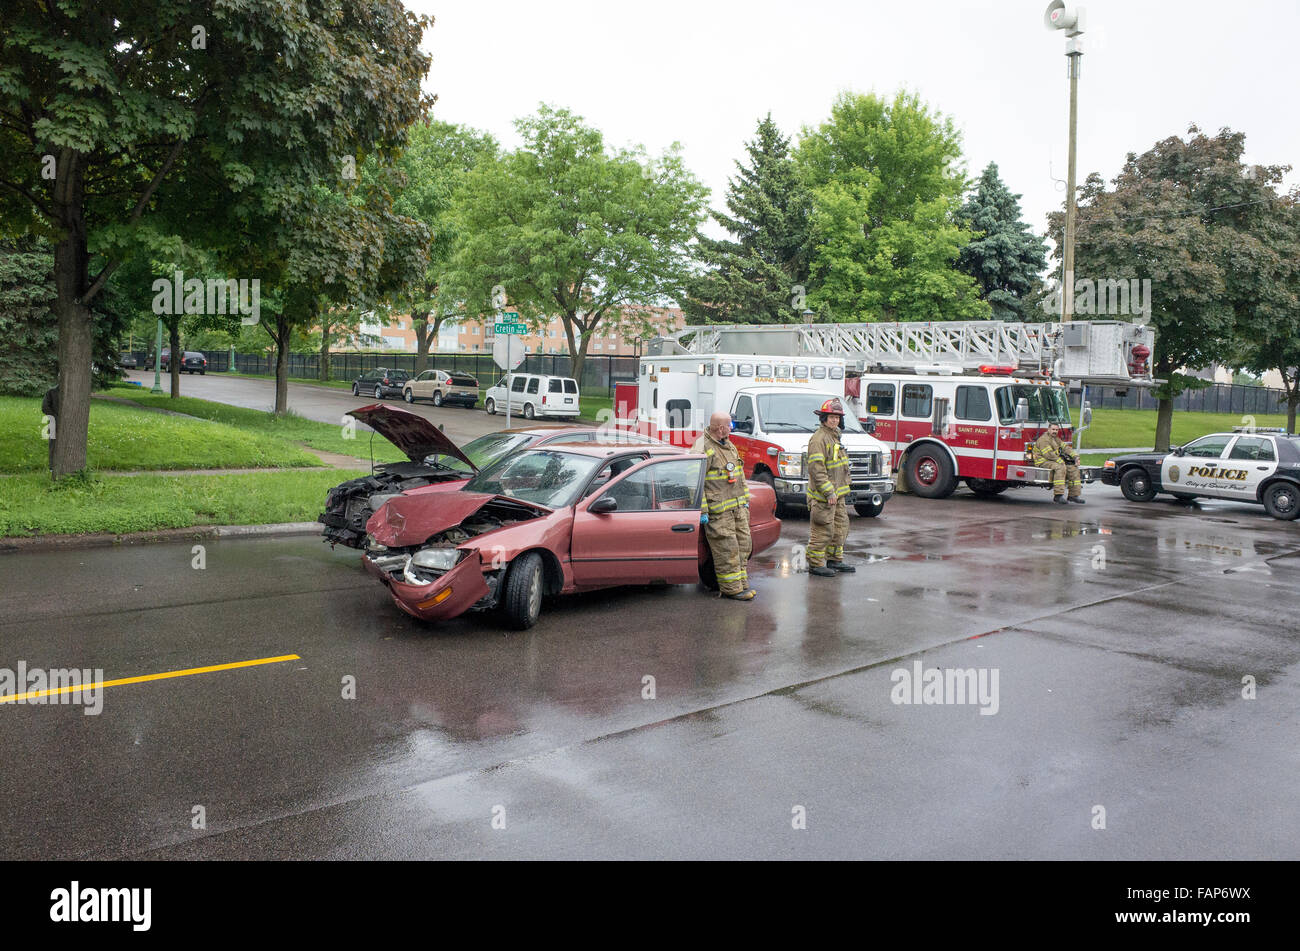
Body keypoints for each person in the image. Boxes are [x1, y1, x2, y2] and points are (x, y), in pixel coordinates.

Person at [691, 411, 755, 601]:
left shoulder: (728, 445)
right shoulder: (702, 447)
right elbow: (694, 481)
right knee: (728, 551)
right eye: (730, 425)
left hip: (737, 508)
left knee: (744, 546)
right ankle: (732, 590)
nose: (732, 428)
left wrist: (745, 500)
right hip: (719, 512)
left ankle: (742, 585)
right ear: (720, 428)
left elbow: (739, 475)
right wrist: (702, 510)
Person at [806, 398, 855, 577]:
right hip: (824, 496)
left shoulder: (835, 435)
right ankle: (815, 563)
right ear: (824, 418)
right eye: (831, 417)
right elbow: (817, 469)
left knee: (840, 528)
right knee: (822, 530)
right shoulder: (818, 439)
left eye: (837, 417)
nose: (834, 420)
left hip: (838, 494)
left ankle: (835, 560)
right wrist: (828, 491)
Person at [1032, 422, 1084, 504]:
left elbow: (1066, 448)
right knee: (1060, 467)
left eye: (1056, 430)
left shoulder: (1056, 439)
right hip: (1043, 461)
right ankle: (1058, 496)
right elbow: (1049, 454)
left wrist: (1076, 457)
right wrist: (1061, 462)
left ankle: (1073, 495)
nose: (1055, 431)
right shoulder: (1044, 439)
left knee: (1073, 468)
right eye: (1053, 429)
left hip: (1053, 461)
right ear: (1048, 429)